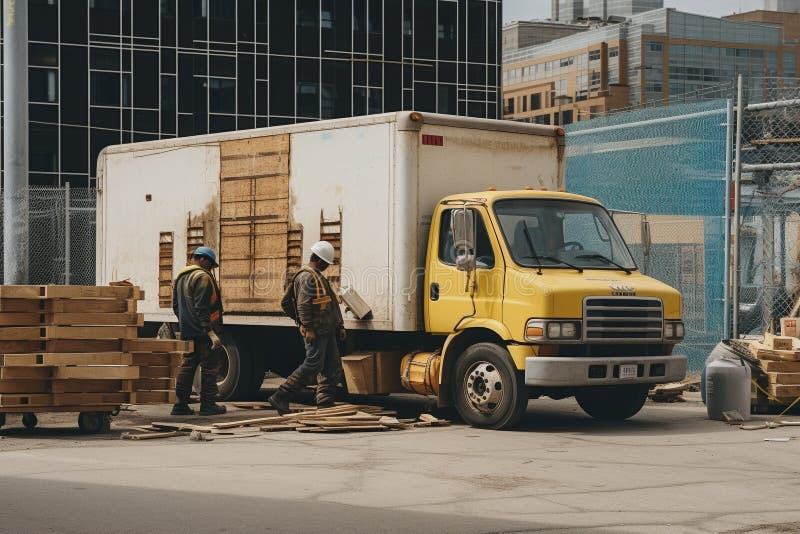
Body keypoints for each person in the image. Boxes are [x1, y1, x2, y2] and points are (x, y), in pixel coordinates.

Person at [269, 241, 346, 415]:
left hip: (327, 330)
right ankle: (281, 395)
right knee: (313, 365)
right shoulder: (307, 277)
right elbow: (302, 305)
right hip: (316, 332)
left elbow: (331, 303)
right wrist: (306, 326)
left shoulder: (317, 276)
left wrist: (339, 325)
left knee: (332, 366)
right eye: (326, 263)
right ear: (319, 260)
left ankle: (325, 401)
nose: (327, 266)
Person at [170, 246, 228, 416]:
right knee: (210, 368)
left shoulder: (180, 277)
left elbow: (175, 307)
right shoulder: (202, 277)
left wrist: (186, 323)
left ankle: (180, 405)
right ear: (203, 259)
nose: (210, 268)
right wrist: (210, 332)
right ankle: (208, 405)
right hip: (204, 332)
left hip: (189, 330)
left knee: (188, 366)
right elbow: (202, 308)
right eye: (210, 264)